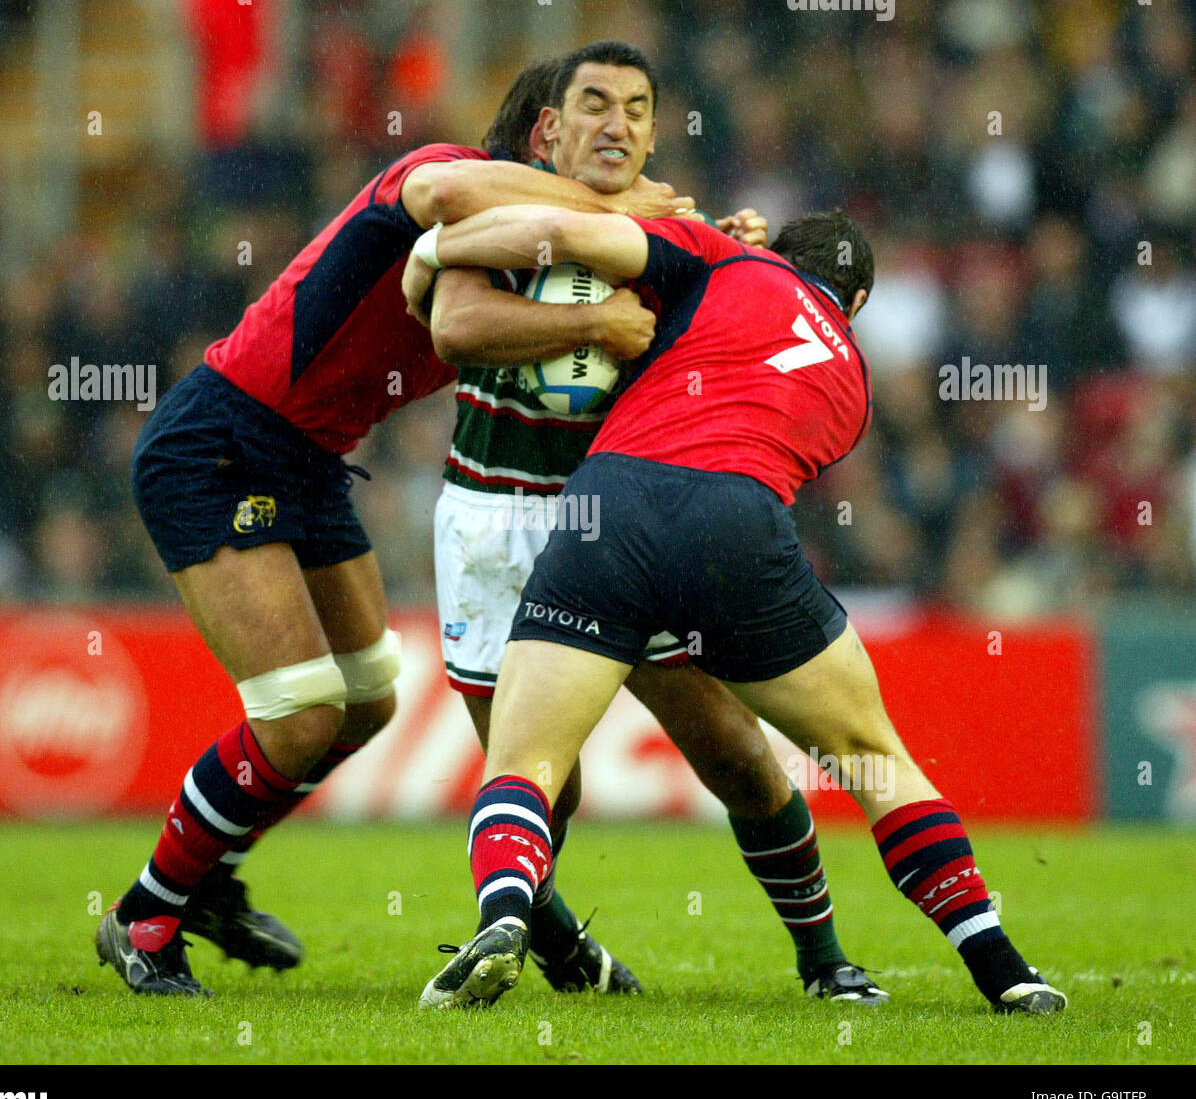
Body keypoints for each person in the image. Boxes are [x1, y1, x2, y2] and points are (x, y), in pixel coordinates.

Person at [403, 201, 1068, 1016]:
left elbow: (573, 239)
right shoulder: (853, 385)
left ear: (777, 252)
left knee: (524, 766)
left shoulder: (722, 259)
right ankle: (1004, 970)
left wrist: (434, 245)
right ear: (855, 306)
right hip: (737, 526)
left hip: (603, 511)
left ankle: (504, 916)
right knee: (871, 755)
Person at [95, 104, 694, 996]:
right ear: (538, 140)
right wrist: (628, 216)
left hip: (308, 462)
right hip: (223, 443)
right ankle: (145, 914)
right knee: (298, 713)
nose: (615, 163)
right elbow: (449, 191)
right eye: (589, 125)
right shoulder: (446, 177)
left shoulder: (537, 263)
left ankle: (206, 871)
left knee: (369, 700)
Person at [429, 43, 886, 1002]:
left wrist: (742, 255)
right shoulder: (492, 210)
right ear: (550, 130)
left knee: (736, 755)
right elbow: (455, 330)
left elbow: (735, 330)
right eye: (594, 104)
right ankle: (552, 952)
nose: (617, 125)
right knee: (538, 779)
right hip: (494, 521)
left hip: (623, 522)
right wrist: (594, 325)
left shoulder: (676, 230)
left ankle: (825, 960)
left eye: (636, 109)